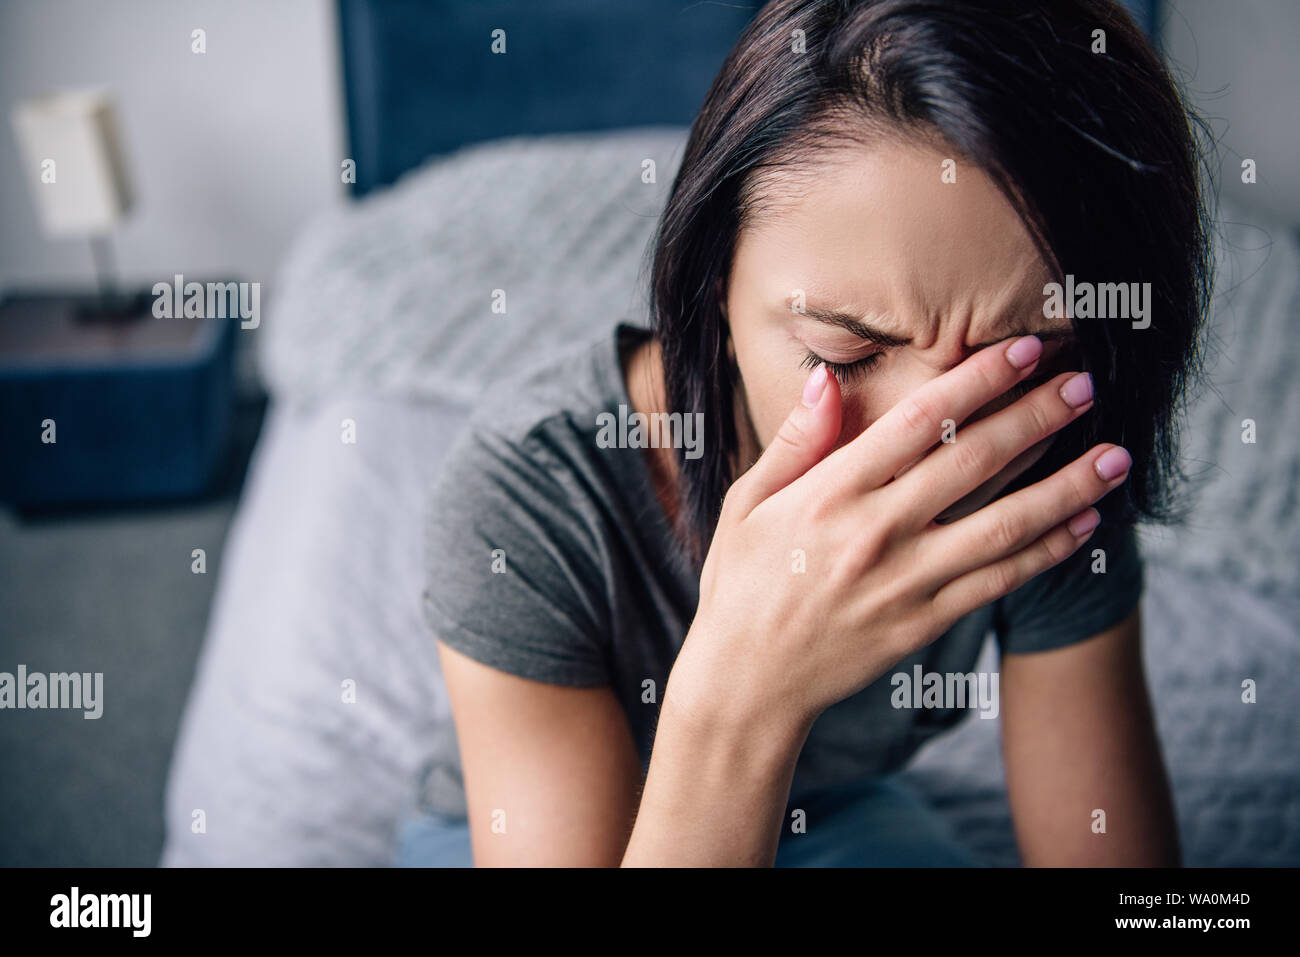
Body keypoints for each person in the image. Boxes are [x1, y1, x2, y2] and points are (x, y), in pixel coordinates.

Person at [405, 0, 1211, 867]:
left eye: (1016, 358)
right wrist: (741, 695)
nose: (937, 440)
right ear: (711, 285)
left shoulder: (1045, 445)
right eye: (848, 353)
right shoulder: (528, 492)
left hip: (831, 811)